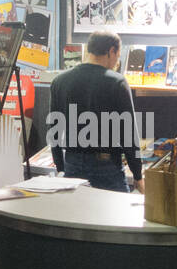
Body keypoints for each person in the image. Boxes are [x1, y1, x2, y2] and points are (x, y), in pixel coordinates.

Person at [46, 29, 144, 194]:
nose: (116, 62)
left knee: (77, 215)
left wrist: (60, 166)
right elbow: (128, 134)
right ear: (111, 51)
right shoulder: (117, 82)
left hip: (72, 163)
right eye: (117, 56)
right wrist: (137, 174)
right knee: (117, 216)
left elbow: (53, 130)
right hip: (106, 166)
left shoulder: (59, 81)